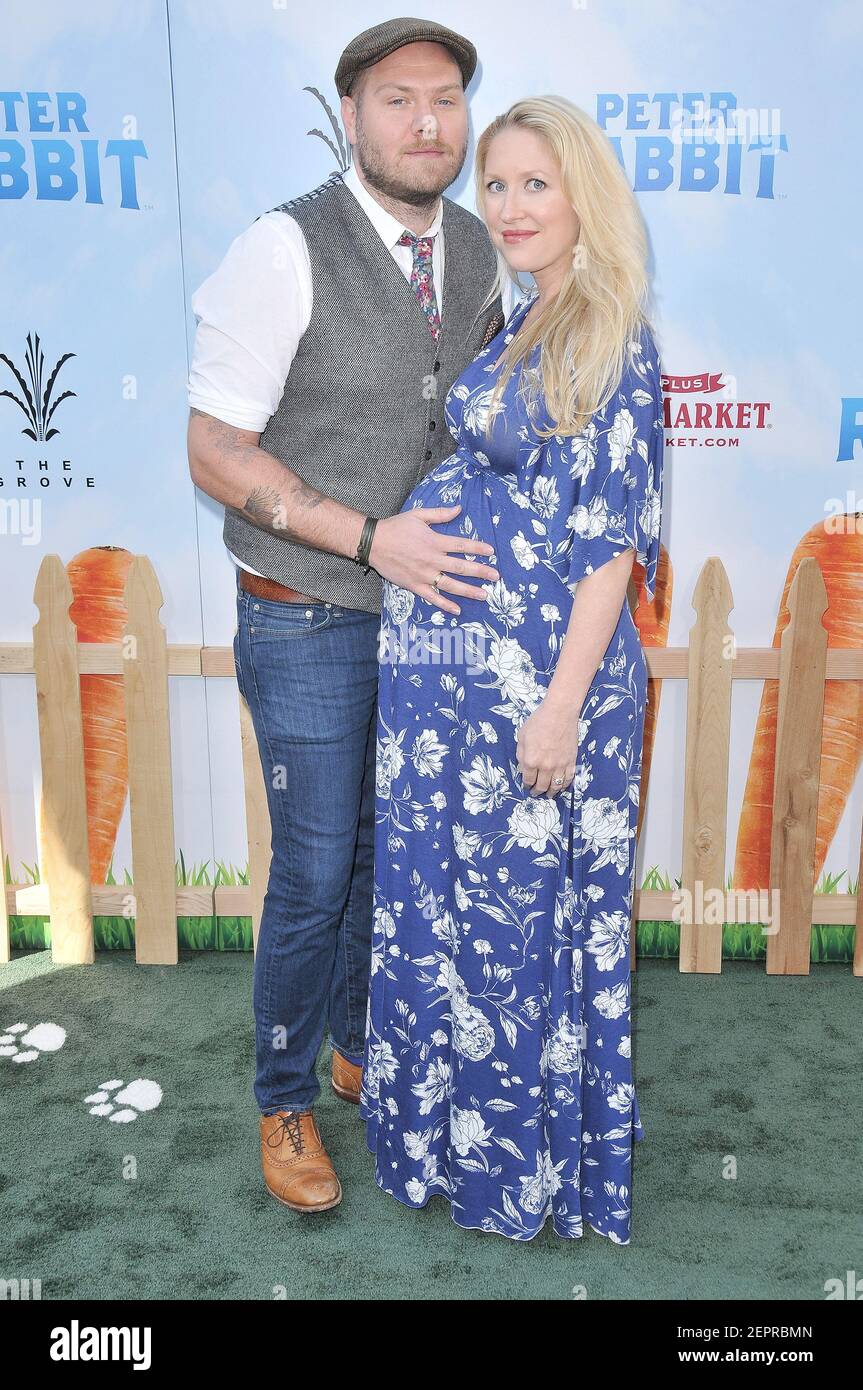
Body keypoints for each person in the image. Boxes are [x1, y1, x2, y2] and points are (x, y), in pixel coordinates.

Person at [186, 18, 516, 1211]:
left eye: (445, 100)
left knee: (387, 857)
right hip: (306, 611)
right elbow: (213, 448)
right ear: (351, 118)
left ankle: (350, 1043)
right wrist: (369, 538)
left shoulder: (480, 250)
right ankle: (284, 1103)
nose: (427, 122)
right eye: (397, 100)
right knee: (317, 870)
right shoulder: (283, 248)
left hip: (424, 621)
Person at [360, 94, 665, 1242]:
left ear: (582, 194)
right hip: (457, 693)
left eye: (534, 183)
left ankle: (528, 1166)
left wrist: (555, 711)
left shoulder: (610, 328)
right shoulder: (523, 317)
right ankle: (451, 1136)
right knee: (456, 916)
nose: (509, 205)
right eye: (496, 185)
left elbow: (605, 548)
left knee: (520, 925)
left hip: (540, 692)